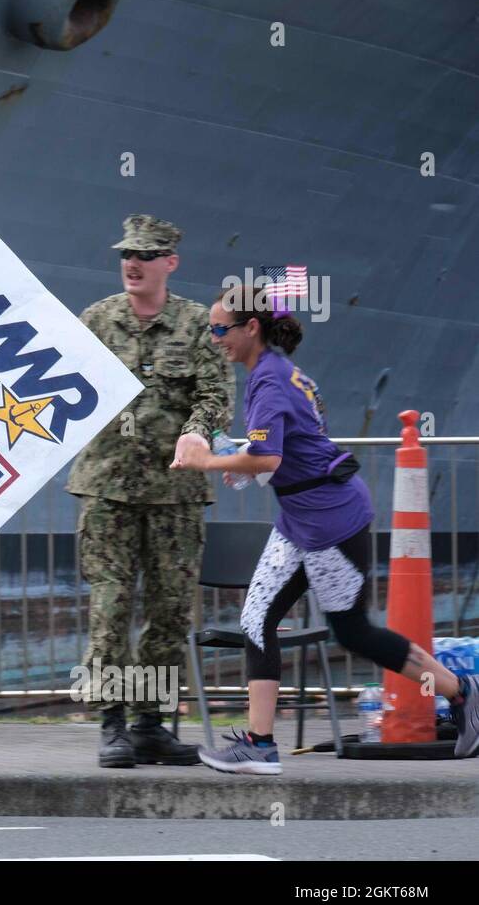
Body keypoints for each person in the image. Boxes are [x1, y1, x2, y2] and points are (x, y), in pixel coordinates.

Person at [170, 284, 479, 773]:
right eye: (211, 330)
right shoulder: (281, 374)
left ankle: (463, 693)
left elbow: (268, 455)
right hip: (301, 519)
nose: (214, 339)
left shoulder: (269, 382)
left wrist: (209, 460)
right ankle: (260, 743)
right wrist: (242, 464)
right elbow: (286, 452)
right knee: (257, 619)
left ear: (252, 328)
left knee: (353, 631)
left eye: (221, 329)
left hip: (330, 522)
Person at [66, 214, 235, 768]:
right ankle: (111, 725)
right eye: (126, 254)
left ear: (170, 262)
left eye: (145, 254)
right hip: (109, 489)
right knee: (111, 606)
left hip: (174, 494)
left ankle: (151, 725)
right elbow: (59, 385)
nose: (132, 263)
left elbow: (216, 394)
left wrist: (197, 430)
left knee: (168, 613)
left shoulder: (193, 325)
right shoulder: (96, 321)